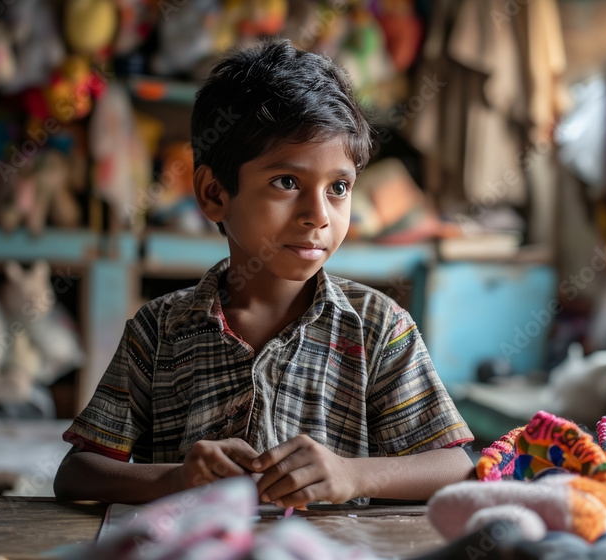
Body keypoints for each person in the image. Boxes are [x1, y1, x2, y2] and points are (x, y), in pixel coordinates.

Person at [54, 40, 475, 506]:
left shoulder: (378, 328)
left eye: (338, 187)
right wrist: (173, 480)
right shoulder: (159, 332)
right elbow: (77, 473)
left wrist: (353, 476)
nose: (318, 215)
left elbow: (455, 467)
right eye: (287, 183)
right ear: (214, 193)